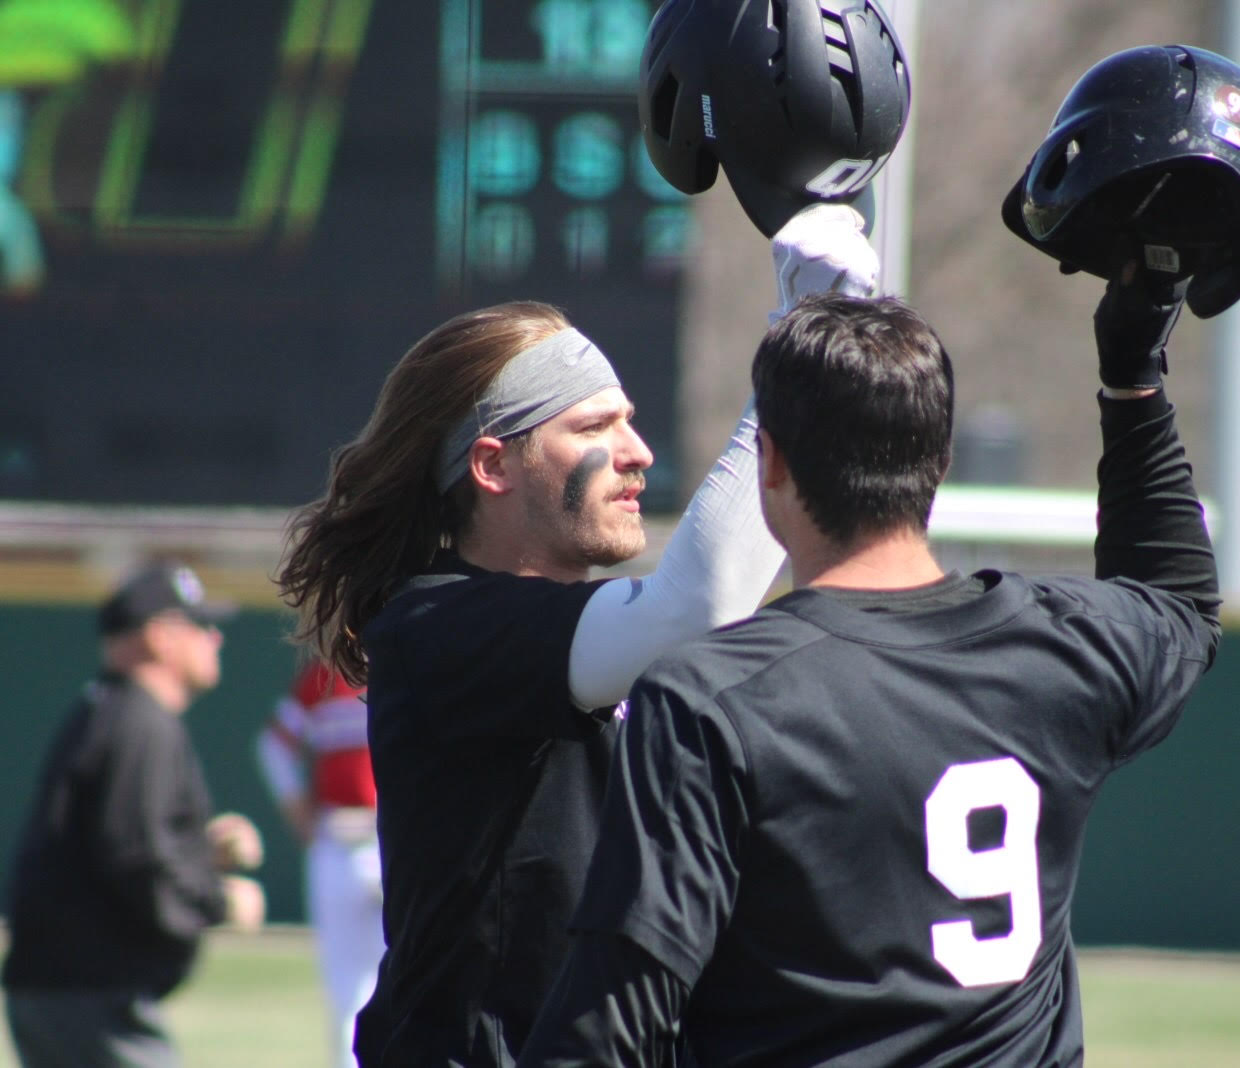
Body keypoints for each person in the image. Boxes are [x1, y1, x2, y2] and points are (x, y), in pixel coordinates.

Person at [519, 269, 1223, 1066]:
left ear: (772, 465)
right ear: (940, 459)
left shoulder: (714, 699)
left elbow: (614, 1021)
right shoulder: (1062, 647)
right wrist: (1133, 380)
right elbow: (1181, 603)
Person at [273, 205, 880, 1066]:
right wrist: (793, 352)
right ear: (491, 466)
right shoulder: (438, 627)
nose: (636, 452)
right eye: (595, 427)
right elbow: (700, 606)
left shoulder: (590, 631)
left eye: (630, 421)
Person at [2, 560, 267, 1068]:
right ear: (161, 637)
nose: (215, 638)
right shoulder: (139, 725)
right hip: (88, 994)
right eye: (200, 626)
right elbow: (134, 857)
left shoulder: (110, 712)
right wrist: (217, 900)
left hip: (66, 987)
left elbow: (108, 841)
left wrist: (201, 852)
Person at [255, 659, 383, 1068]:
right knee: (347, 991)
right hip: (338, 839)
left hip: (394, 841)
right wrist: (299, 812)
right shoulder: (324, 676)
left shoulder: (417, 658)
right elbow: (274, 745)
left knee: (414, 975)